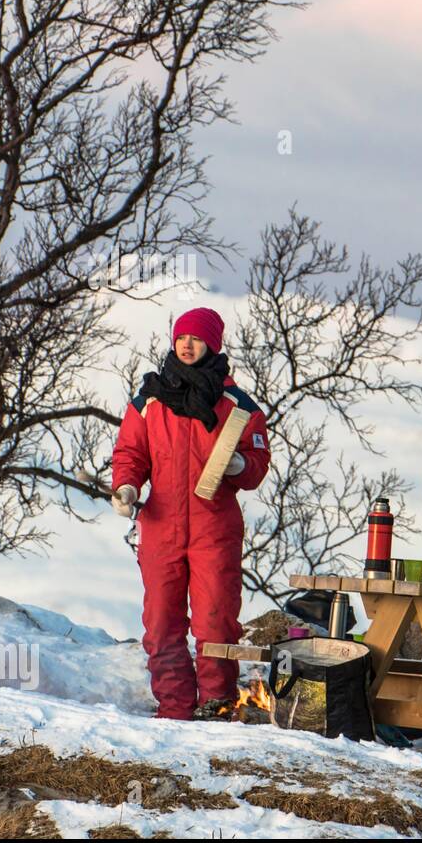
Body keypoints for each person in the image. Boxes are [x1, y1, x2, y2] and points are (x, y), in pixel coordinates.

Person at [111, 307, 271, 720]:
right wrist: (127, 486)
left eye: (196, 339)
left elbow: (257, 462)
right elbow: (130, 452)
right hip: (160, 526)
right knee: (162, 624)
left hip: (214, 529)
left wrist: (240, 466)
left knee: (216, 623)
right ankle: (174, 708)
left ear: (212, 344)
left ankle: (215, 706)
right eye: (181, 337)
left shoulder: (236, 405)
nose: (186, 344)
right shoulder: (149, 399)